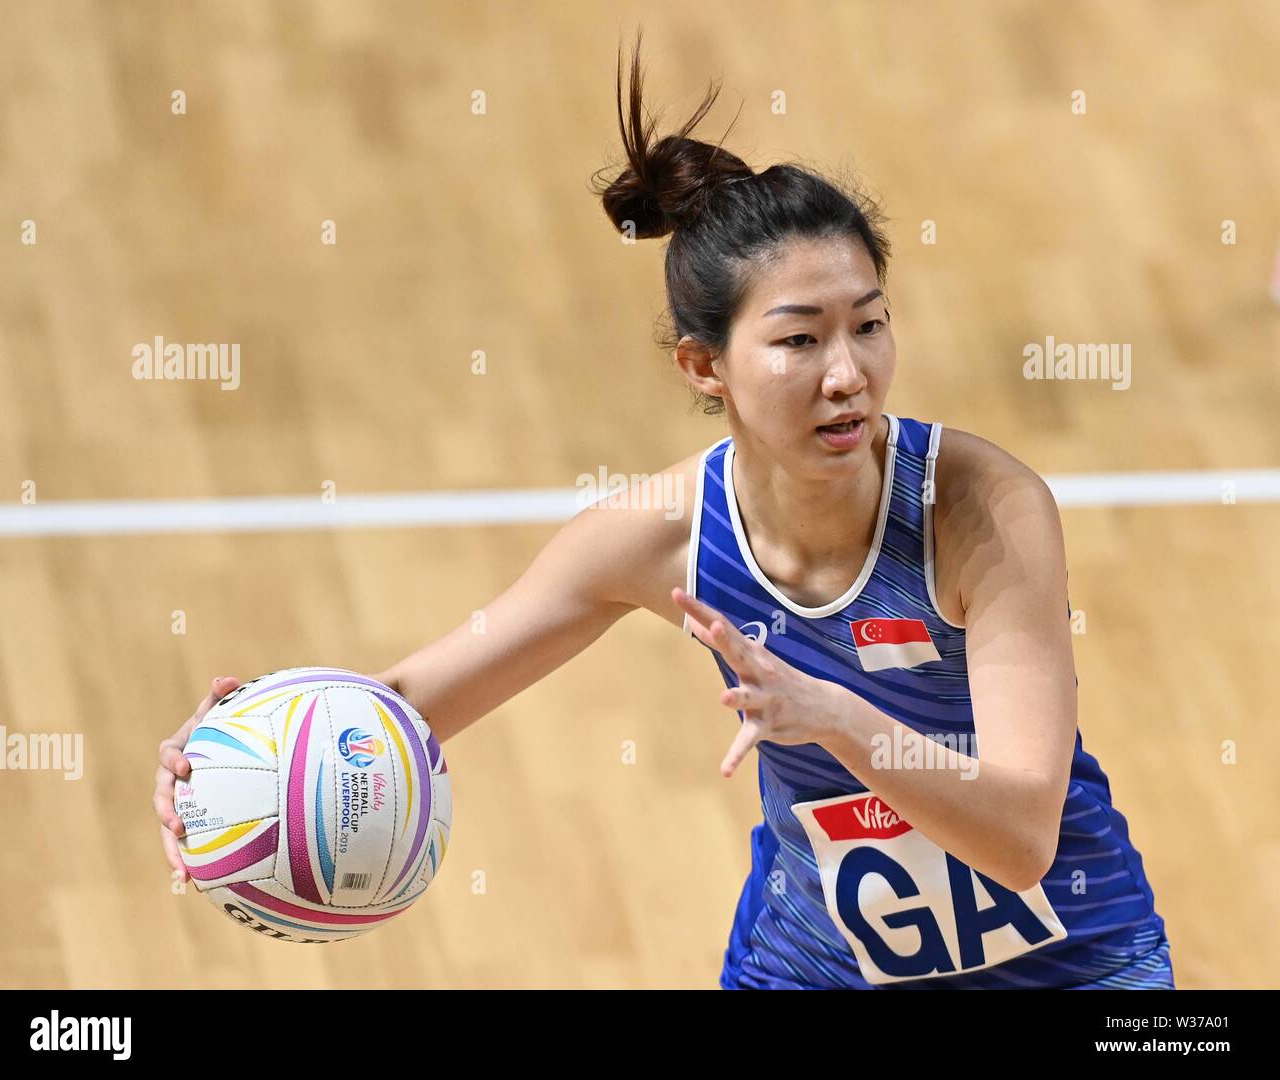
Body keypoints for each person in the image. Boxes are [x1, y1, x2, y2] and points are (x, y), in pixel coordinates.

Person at [154, 32, 1173, 990]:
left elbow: (1020, 834)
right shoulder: (660, 535)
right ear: (703, 364)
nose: (848, 374)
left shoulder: (979, 506)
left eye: (869, 325)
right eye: (798, 340)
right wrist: (234, 774)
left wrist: (839, 721)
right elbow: (404, 708)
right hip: (812, 965)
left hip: (1076, 963)